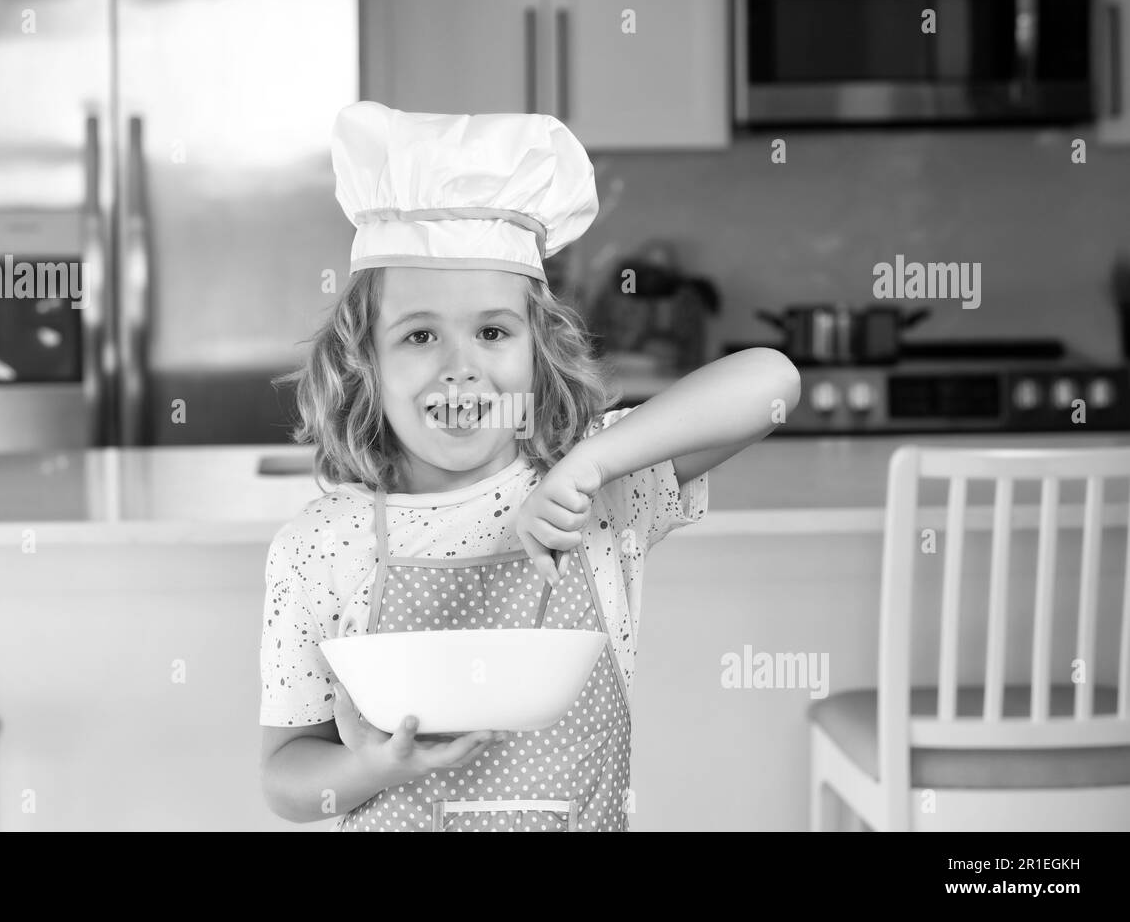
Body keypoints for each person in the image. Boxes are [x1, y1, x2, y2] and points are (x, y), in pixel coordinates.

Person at [260, 100, 800, 831]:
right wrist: (375, 764)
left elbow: (772, 382)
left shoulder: (603, 494)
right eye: (419, 335)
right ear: (366, 364)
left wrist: (591, 463)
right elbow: (288, 778)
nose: (461, 369)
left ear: (538, 354)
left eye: (492, 331)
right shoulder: (320, 546)